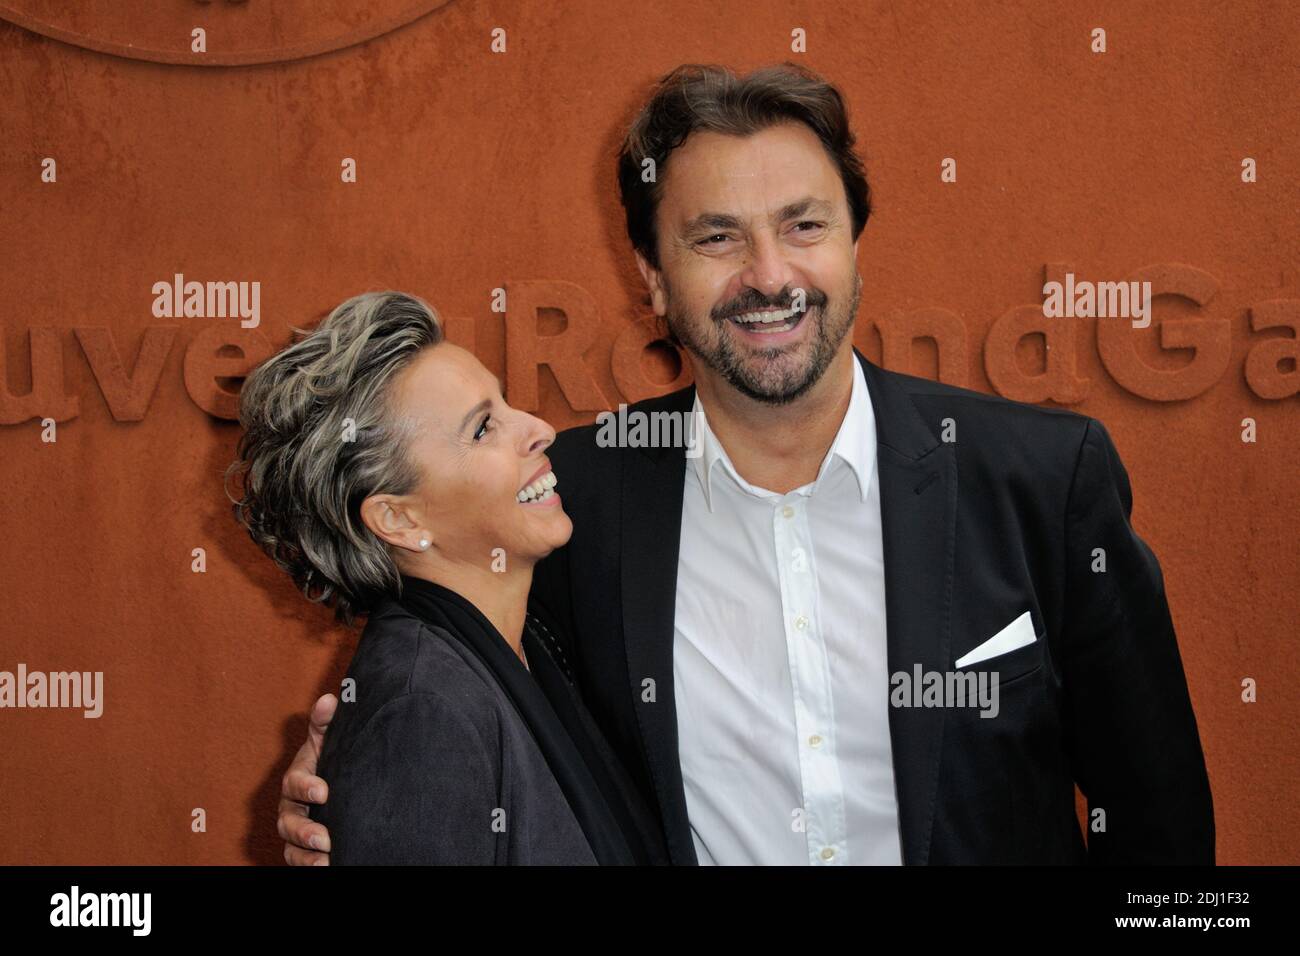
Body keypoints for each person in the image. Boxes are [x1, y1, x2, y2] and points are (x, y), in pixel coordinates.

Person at [277, 64, 1215, 865]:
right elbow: (442, 670)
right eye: (717, 236)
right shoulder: (571, 504)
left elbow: (1162, 830)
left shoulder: (1042, 481)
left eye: (804, 226)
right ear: (651, 275)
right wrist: (343, 794)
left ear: (856, 245)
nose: (769, 275)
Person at [228, 290, 668, 864]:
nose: (540, 428)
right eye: (483, 428)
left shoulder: (516, 644)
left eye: (506, 403)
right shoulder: (422, 714)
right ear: (399, 519)